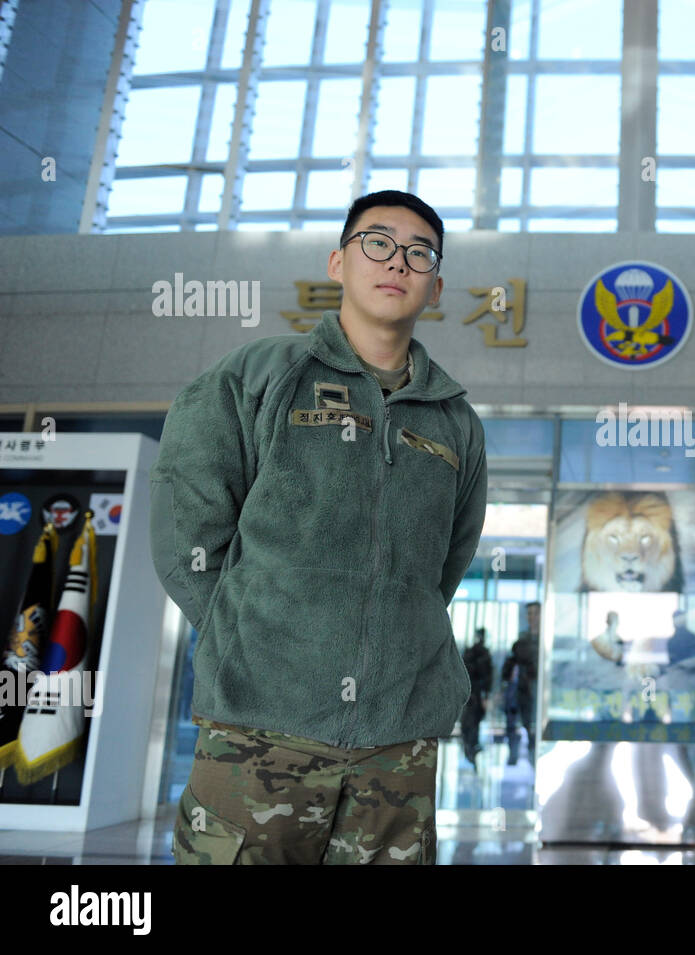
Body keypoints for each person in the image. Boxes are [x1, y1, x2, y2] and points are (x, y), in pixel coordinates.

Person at [152, 190, 488, 865]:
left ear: (437, 283)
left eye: (419, 251)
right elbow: (187, 533)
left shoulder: (454, 421)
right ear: (338, 261)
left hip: (399, 741)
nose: (398, 260)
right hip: (259, 730)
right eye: (378, 241)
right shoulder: (257, 379)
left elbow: (444, 565)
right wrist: (254, 638)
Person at [502, 601, 539, 765]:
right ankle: (514, 754)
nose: (532, 617)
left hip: (535, 691)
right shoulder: (523, 638)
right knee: (513, 723)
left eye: (535, 613)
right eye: (529, 613)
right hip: (519, 690)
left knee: (532, 727)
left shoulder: (544, 639)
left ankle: (533, 759)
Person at [461, 627, 493, 767]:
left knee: (472, 723)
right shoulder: (475, 652)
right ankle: (470, 749)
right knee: (470, 723)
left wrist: (485, 695)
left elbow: (487, 677)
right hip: (472, 693)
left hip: (476, 694)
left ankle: (471, 749)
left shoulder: (482, 653)